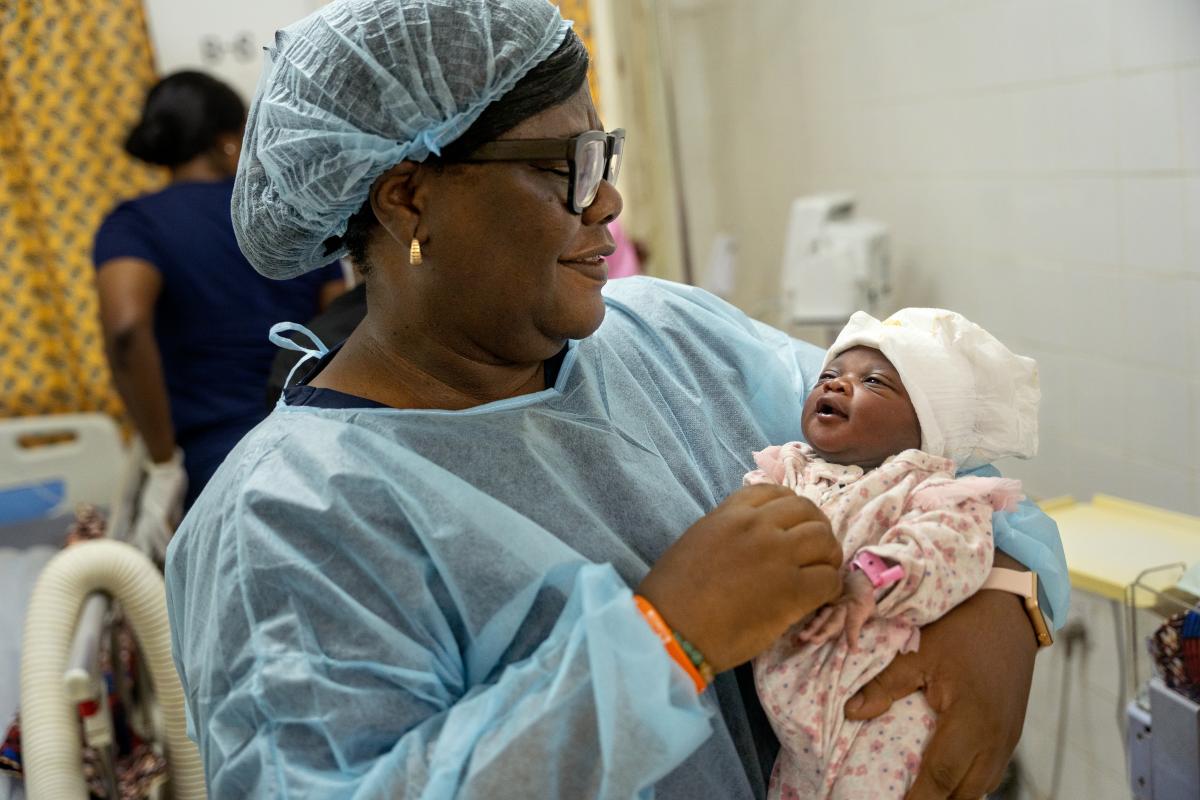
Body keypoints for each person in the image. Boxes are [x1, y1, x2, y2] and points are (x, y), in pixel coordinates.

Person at [164, 2, 1068, 797]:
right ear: (409, 199)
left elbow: (936, 454)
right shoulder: (287, 525)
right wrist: (669, 639)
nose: (607, 202)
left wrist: (1006, 592)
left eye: (605, 153)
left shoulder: (673, 339)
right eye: (567, 164)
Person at [744, 308, 1041, 799]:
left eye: (874, 382)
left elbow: (946, 549)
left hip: (882, 718)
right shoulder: (788, 470)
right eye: (830, 375)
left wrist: (870, 579)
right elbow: (744, 531)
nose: (837, 385)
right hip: (796, 729)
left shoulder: (925, 488)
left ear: (926, 425)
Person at [93, 71, 345, 557]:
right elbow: (341, 324)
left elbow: (125, 328)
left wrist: (163, 464)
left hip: (216, 465)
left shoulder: (135, 224)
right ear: (230, 142)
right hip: (317, 446)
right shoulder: (293, 216)